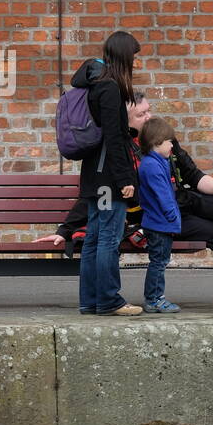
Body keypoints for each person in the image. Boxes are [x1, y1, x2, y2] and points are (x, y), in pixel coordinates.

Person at [38, 95, 213, 306]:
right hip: (153, 220)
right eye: (141, 114)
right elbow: (93, 193)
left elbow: (193, 174)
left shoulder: (162, 138)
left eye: (149, 111)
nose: (148, 117)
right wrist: (64, 231)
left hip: (178, 209)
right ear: (125, 121)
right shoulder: (117, 151)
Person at [75, 31, 143, 317]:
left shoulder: (94, 83)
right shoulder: (110, 88)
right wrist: (125, 180)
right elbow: (113, 139)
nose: (136, 64)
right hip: (108, 176)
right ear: (124, 56)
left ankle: (90, 301)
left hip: (93, 171)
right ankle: (108, 301)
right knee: (107, 238)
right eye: (134, 57)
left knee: (93, 238)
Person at [137, 117, 182, 314]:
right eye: (168, 141)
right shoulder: (152, 166)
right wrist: (172, 216)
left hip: (160, 222)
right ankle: (154, 299)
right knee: (159, 262)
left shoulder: (158, 162)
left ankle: (155, 297)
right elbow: (163, 194)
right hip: (159, 223)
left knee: (160, 260)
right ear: (156, 143)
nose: (172, 144)